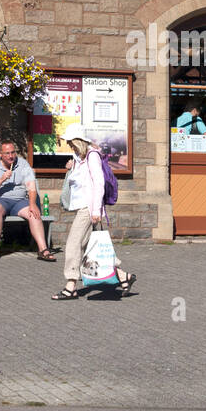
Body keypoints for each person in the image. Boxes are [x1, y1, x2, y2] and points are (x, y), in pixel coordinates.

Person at [53, 124, 135, 300]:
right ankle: (122, 276)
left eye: (71, 143)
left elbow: (98, 184)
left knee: (73, 244)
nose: (69, 146)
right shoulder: (80, 158)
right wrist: (72, 167)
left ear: (78, 142)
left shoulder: (92, 156)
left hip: (88, 209)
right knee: (92, 246)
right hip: (84, 208)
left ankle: (70, 284)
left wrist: (96, 210)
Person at [0, 140, 54, 261]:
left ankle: (43, 249)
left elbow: (31, 187)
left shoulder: (23, 164)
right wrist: (1, 180)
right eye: (7, 153)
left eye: (13, 152)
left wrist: (32, 204)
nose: (11, 156)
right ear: (0, 154)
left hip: (19, 202)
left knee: (33, 213)